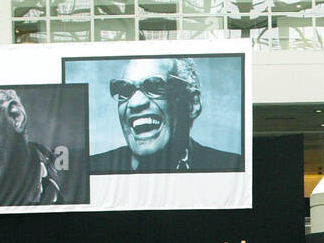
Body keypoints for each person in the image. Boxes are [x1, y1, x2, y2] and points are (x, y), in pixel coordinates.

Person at [90, 57, 242, 174]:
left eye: (155, 87)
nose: (135, 103)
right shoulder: (91, 169)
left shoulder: (230, 167)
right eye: (124, 90)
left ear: (192, 104)